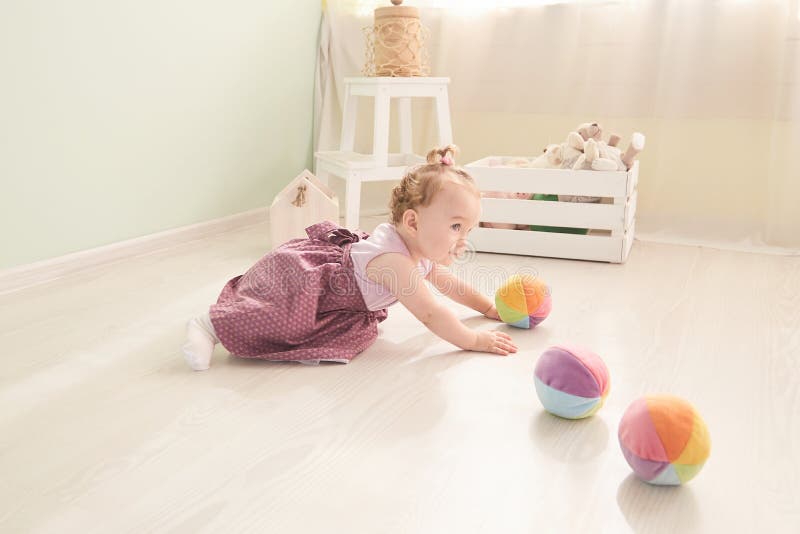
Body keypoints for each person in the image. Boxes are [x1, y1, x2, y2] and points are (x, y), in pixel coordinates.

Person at [182, 145, 517, 370]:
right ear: (413, 222)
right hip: (307, 285)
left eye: (467, 229)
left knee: (313, 330)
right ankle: (209, 324)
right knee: (278, 318)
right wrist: (474, 340)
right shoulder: (395, 262)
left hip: (339, 300)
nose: (463, 239)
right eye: (456, 227)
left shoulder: (419, 250)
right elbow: (431, 313)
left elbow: (450, 285)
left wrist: (487, 308)